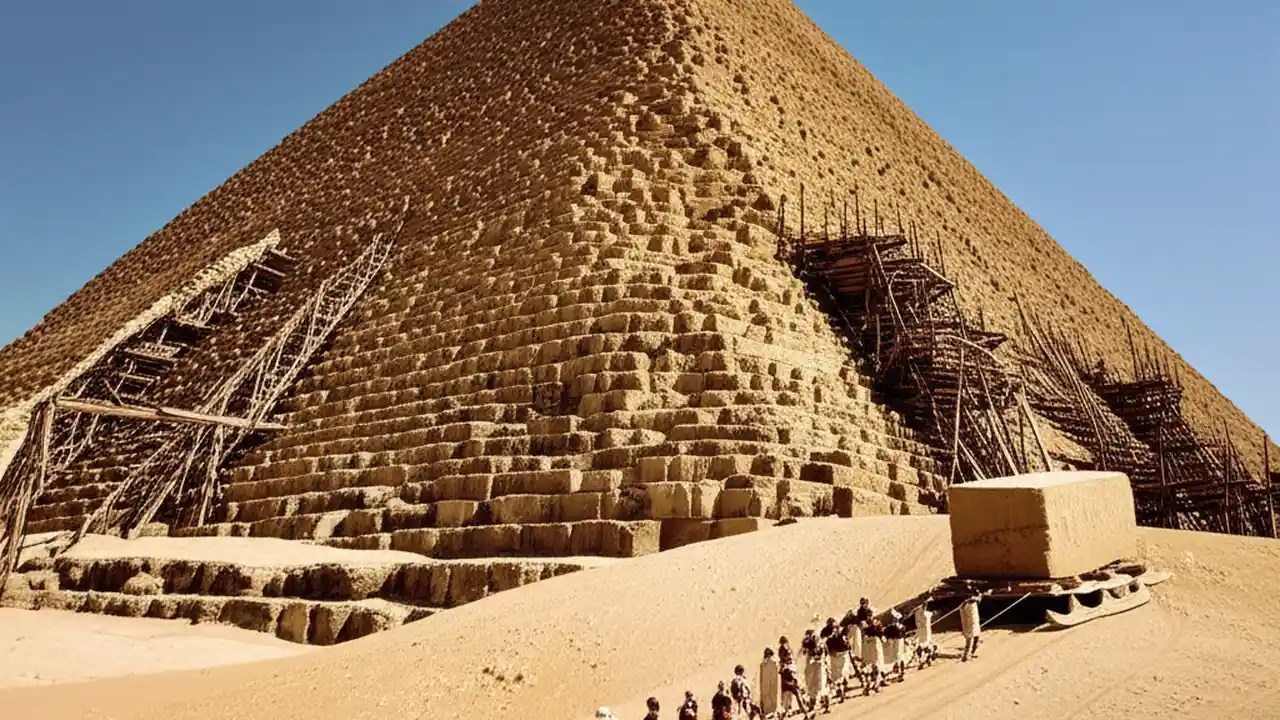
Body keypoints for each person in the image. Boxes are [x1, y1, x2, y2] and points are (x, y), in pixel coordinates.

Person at [801, 629, 830, 713]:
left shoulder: (816, 643)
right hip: (814, 666)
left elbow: (822, 653)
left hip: (818, 665)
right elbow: (804, 652)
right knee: (815, 685)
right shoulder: (811, 643)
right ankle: (816, 704)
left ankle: (821, 704)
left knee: (818, 684)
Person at [824, 620, 852, 701]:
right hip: (837, 657)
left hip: (841, 656)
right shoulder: (831, 639)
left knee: (842, 674)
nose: (834, 630)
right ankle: (841, 690)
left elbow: (847, 646)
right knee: (839, 675)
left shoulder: (840, 636)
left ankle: (842, 689)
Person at [859, 619, 885, 695]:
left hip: (869, 655)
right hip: (875, 654)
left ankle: (869, 687)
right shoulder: (876, 637)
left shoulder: (865, 638)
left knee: (871, 671)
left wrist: (863, 659)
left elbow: (863, 649)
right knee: (877, 669)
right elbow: (883, 640)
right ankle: (875, 686)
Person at [913, 596, 938, 669]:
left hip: (925, 631)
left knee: (924, 646)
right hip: (924, 631)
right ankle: (924, 660)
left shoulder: (923, 613)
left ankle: (925, 660)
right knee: (924, 646)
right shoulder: (923, 613)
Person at [882, 610, 907, 683]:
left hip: (899, 642)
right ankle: (898, 670)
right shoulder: (892, 627)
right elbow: (886, 633)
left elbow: (902, 634)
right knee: (896, 657)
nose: (894, 620)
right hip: (895, 643)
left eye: (895, 619)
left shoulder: (900, 627)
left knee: (899, 657)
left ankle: (900, 671)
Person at [961, 591, 983, 662]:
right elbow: (977, 599)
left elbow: (978, 599)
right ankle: (967, 654)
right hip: (971, 624)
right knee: (970, 639)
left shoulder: (965, 605)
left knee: (975, 638)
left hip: (972, 623)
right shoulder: (969, 604)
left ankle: (971, 653)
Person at [759, 649, 779, 718]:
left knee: (769, 698)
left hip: (768, 685)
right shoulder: (771, 664)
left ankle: (769, 712)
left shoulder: (764, 664)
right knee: (770, 698)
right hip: (769, 684)